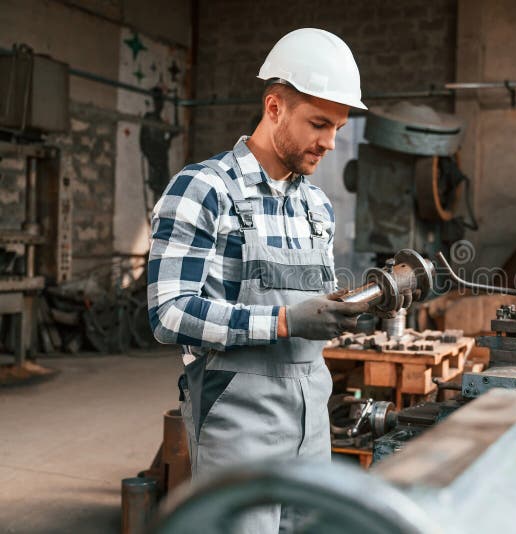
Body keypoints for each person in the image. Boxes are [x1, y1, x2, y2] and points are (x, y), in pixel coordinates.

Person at [147, 28, 369, 533]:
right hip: (237, 419)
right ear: (274, 107)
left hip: (313, 417)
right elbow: (168, 313)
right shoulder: (203, 189)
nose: (330, 143)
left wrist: (348, 310)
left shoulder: (317, 206)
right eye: (318, 124)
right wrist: (285, 321)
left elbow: (316, 307)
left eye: (337, 127)